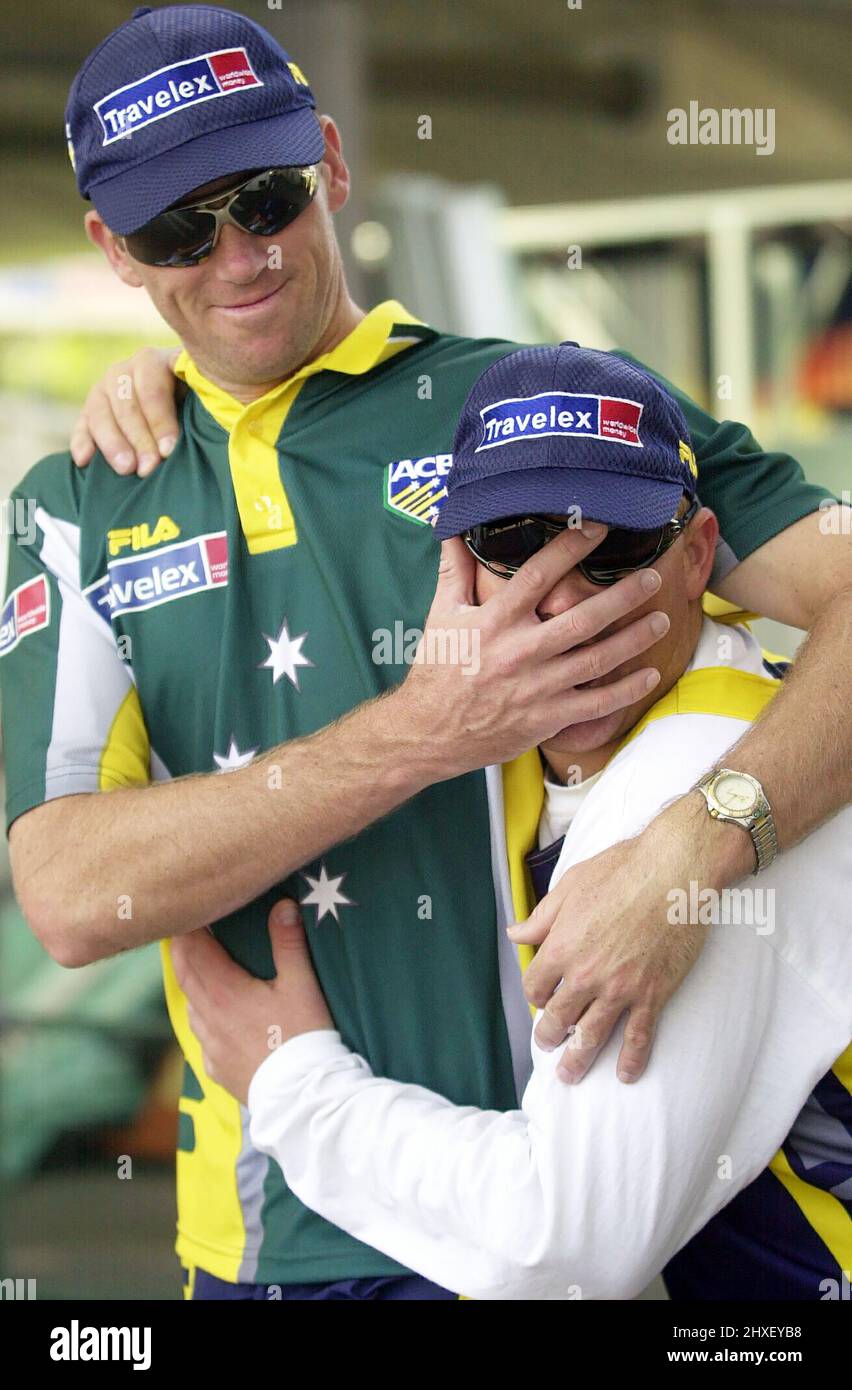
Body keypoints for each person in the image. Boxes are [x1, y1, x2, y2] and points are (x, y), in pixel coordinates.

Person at [3, 3, 850, 1299]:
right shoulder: (78, 501)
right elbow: (68, 896)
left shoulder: (547, 404)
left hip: (542, 1193)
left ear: (333, 166)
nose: (238, 256)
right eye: (180, 228)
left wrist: (701, 840)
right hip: (261, 1229)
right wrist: (429, 728)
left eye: (269, 198)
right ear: (114, 250)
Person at [173, 343, 852, 1302]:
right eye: (514, 542)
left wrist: (296, 1088)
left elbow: (565, 1247)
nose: (563, 601)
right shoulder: (531, 747)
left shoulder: (691, 771)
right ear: (457, 563)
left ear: (701, 555)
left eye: (614, 547)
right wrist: (176, 377)